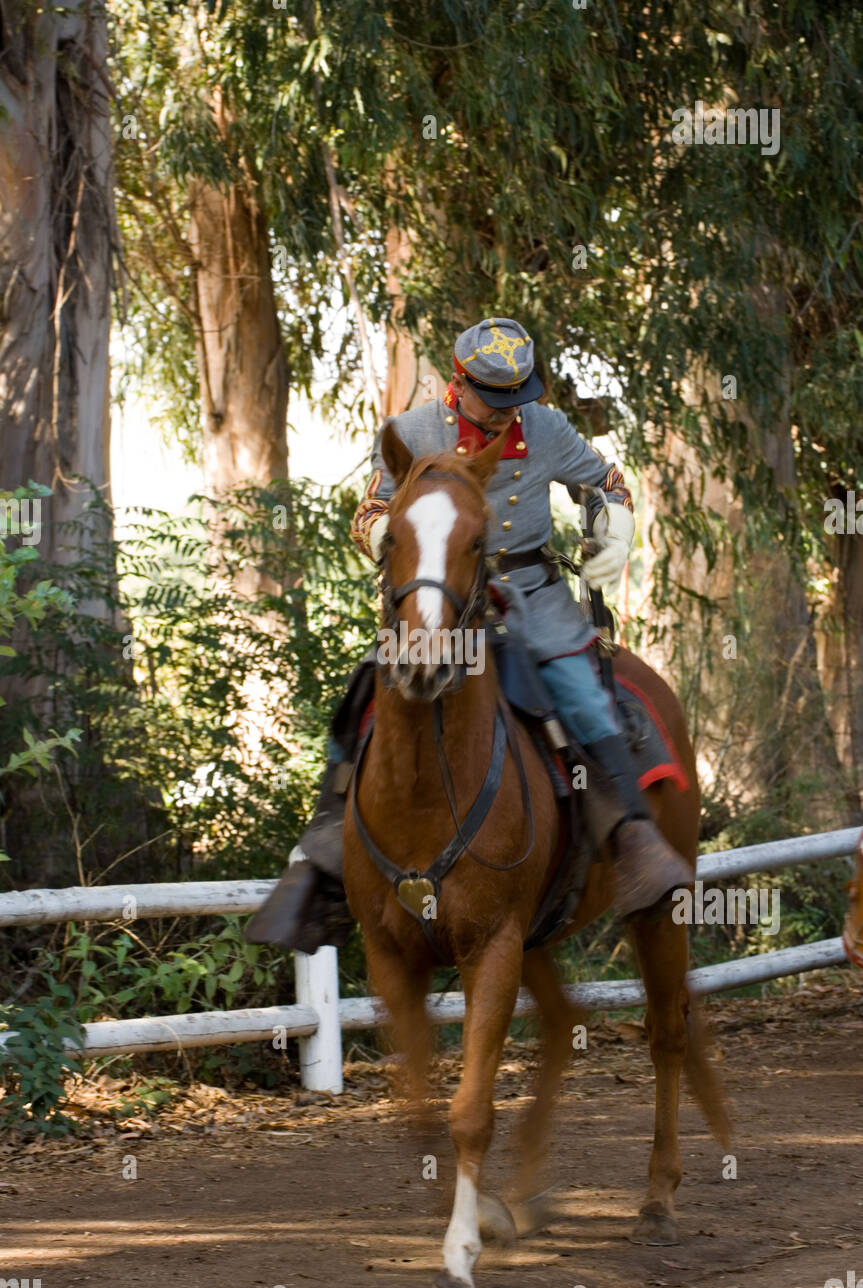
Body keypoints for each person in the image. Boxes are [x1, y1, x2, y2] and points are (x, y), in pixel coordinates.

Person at [247, 316, 691, 951]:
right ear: (460, 380)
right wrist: (401, 546)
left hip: (533, 597)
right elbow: (370, 510)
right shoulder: (413, 432)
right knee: (364, 696)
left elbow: (607, 480)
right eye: (495, 400)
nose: (508, 415)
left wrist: (614, 524)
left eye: (517, 400)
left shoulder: (546, 427)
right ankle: (320, 858)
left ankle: (634, 842)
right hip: (440, 602)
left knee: (585, 696)